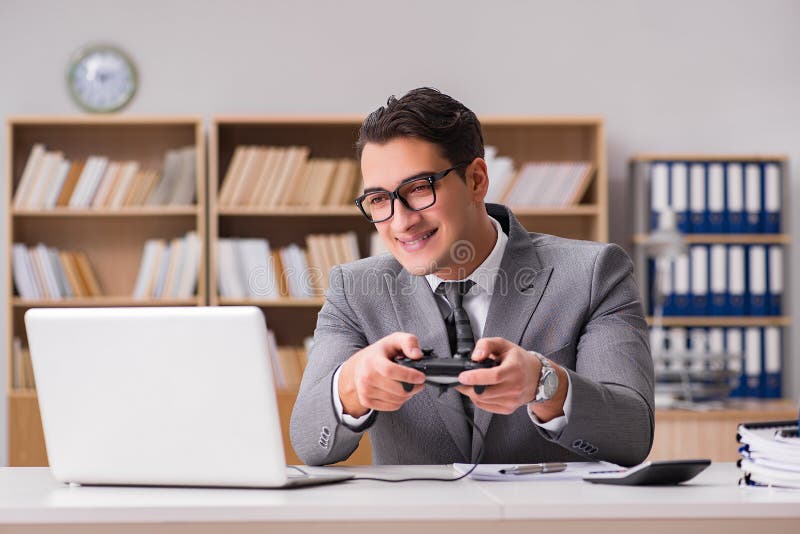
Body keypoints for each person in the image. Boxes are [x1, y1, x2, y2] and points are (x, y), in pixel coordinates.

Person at [290, 87, 654, 466]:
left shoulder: (594, 274)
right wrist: (352, 384)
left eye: (418, 189)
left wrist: (545, 384)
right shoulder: (354, 291)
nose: (401, 221)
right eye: (379, 199)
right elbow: (309, 441)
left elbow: (632, 435)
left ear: (477, 180)